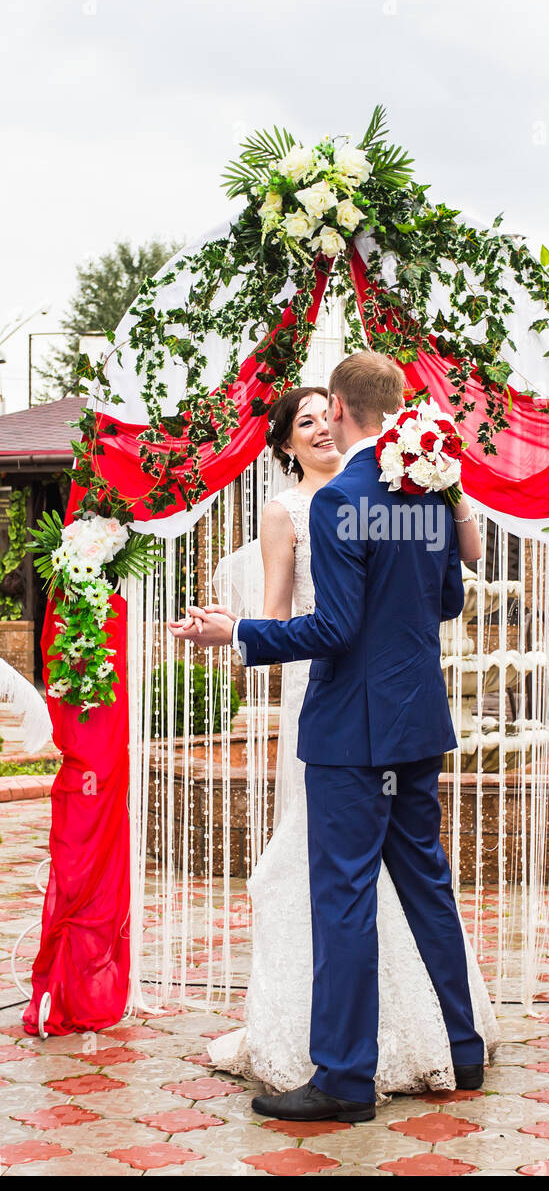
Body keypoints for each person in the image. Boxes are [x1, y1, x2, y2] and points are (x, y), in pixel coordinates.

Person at [169, 354, 498, 1122]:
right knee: (426, 886)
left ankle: (345, 1080)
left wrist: (237, 633)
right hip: (418, 723)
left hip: (353, 733)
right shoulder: (427, 494)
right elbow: (449, 598)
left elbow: (335, 627)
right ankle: (463, 1050)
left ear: (342, 406)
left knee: (343, 899)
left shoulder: (341, 499)